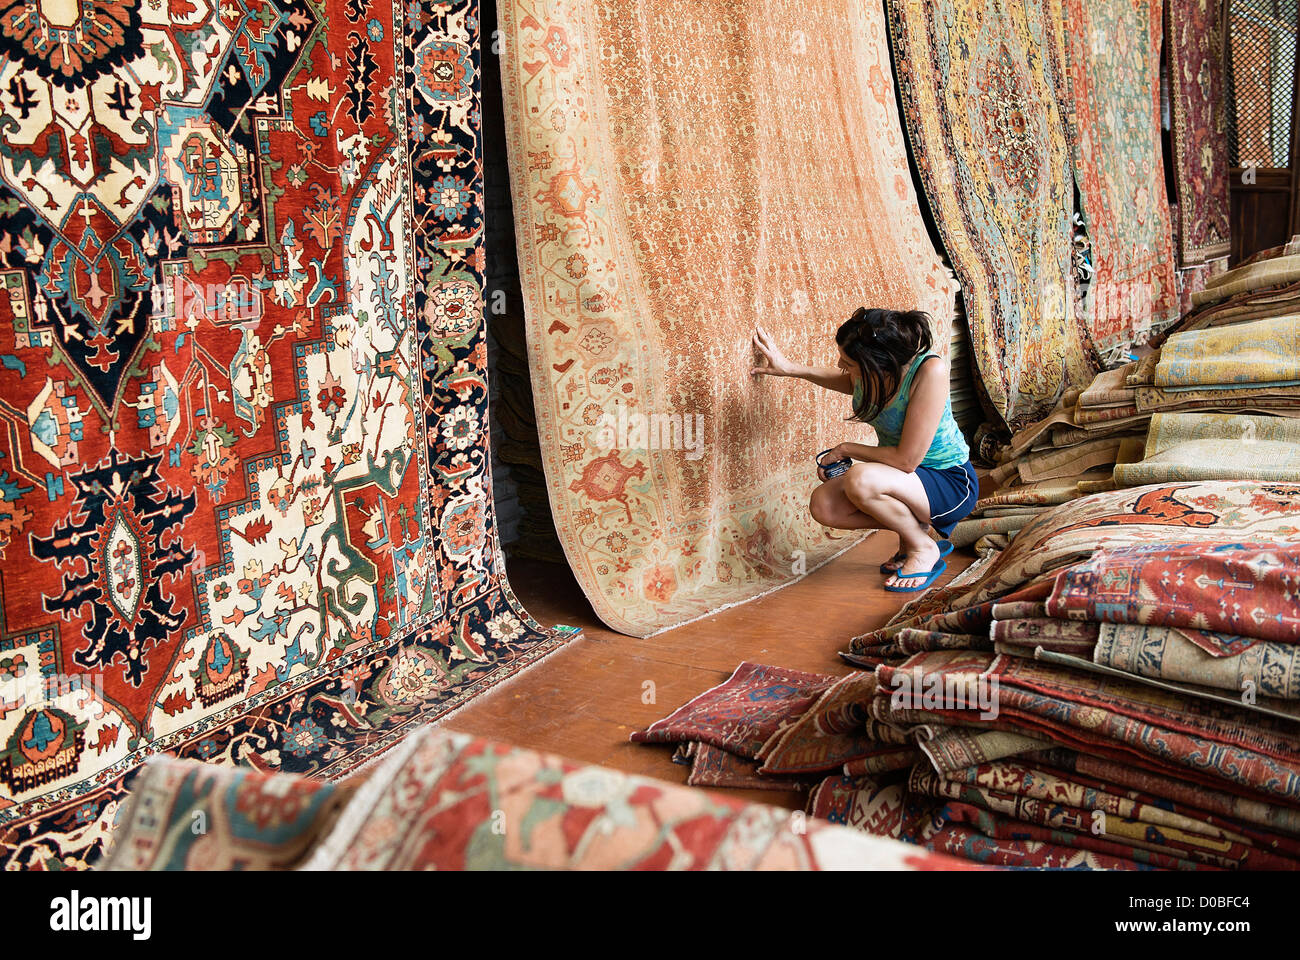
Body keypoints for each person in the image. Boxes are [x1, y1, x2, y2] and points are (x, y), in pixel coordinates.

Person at [751, 307, 977, 592]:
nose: (841, 365)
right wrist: (790, 368)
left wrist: (846, 449)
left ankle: (922, 547)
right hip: (904, 481)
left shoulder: (930, 371)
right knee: (824, 504)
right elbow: (847, 380)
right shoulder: (872, 376)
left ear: (879, 364)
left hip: (949, 482)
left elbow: (906, 461)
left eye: (849, 362)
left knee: (860, 479)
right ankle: (914, 530)